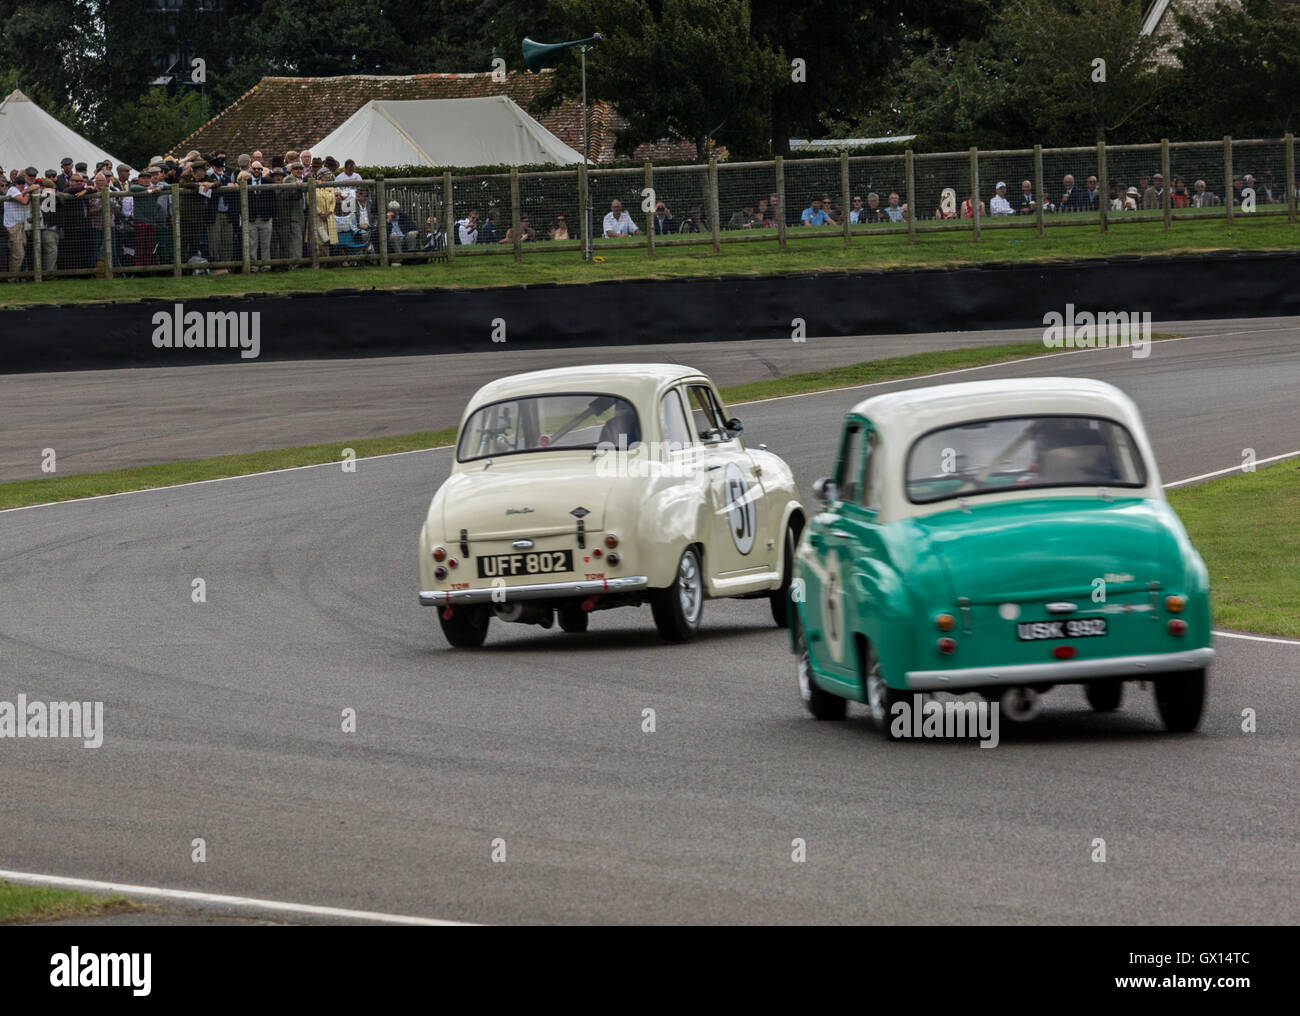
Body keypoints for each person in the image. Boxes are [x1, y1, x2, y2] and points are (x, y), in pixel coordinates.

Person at [246, 161, 275, 270]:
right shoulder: (246, 182)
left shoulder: (268, 182)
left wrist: (270, 215)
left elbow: (273, 200)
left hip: (265, 218)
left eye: (259, 169)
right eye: (255, 169)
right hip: (251, 219)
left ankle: (266, 266)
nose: (257, 171)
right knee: (252, 244)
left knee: (265, 244)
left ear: (262, 170)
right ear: (251, 169)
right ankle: (253, 267)